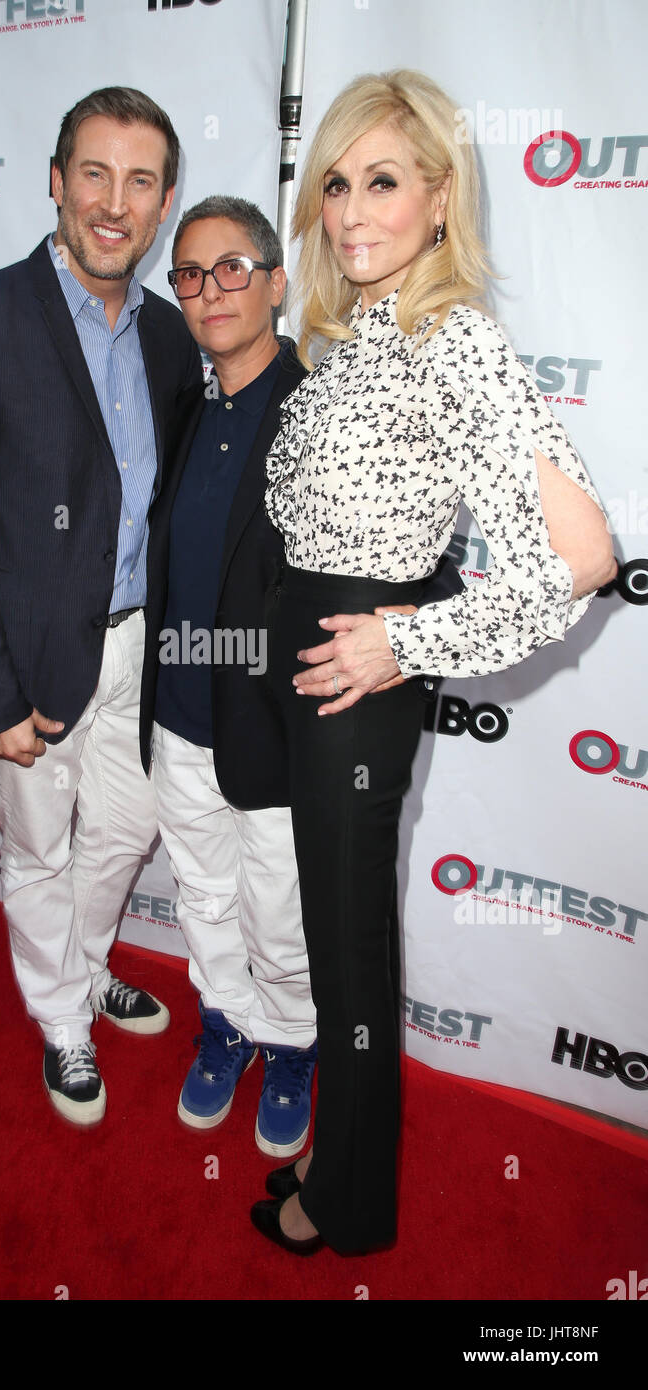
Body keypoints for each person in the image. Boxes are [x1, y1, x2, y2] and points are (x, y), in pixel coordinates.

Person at [251, 70, 616, 1255]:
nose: (352, 211)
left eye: (384, 182)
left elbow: (580, 553)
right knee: (332, 935)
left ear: (442, 199)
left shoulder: (451, 337)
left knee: (351, 952)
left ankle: (347, 1207)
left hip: (361, 678)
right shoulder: (355, 330)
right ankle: (345, 1162)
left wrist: (409, 639)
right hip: (314, 663)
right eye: (337, 184)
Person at [0, 88, 203, 1127]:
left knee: (123, 831)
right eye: (94, 173)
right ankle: (62, 1019)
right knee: (38, 850)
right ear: (55, 178)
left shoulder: (170, 339)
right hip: (25, 661)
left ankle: (79, 965)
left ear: (166, 201)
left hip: (137, 655)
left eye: (139, 181)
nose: (114, 203)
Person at [139, 197, 318, 1158]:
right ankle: (227, 1026)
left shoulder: (323, 414)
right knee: (202, 899)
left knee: (279, 912)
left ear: (275, 283)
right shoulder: (180, 405)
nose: (210, 291)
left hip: (273, 731)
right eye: (190, 275)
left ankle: (292, 1044)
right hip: (175, 719)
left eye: (232, 269)